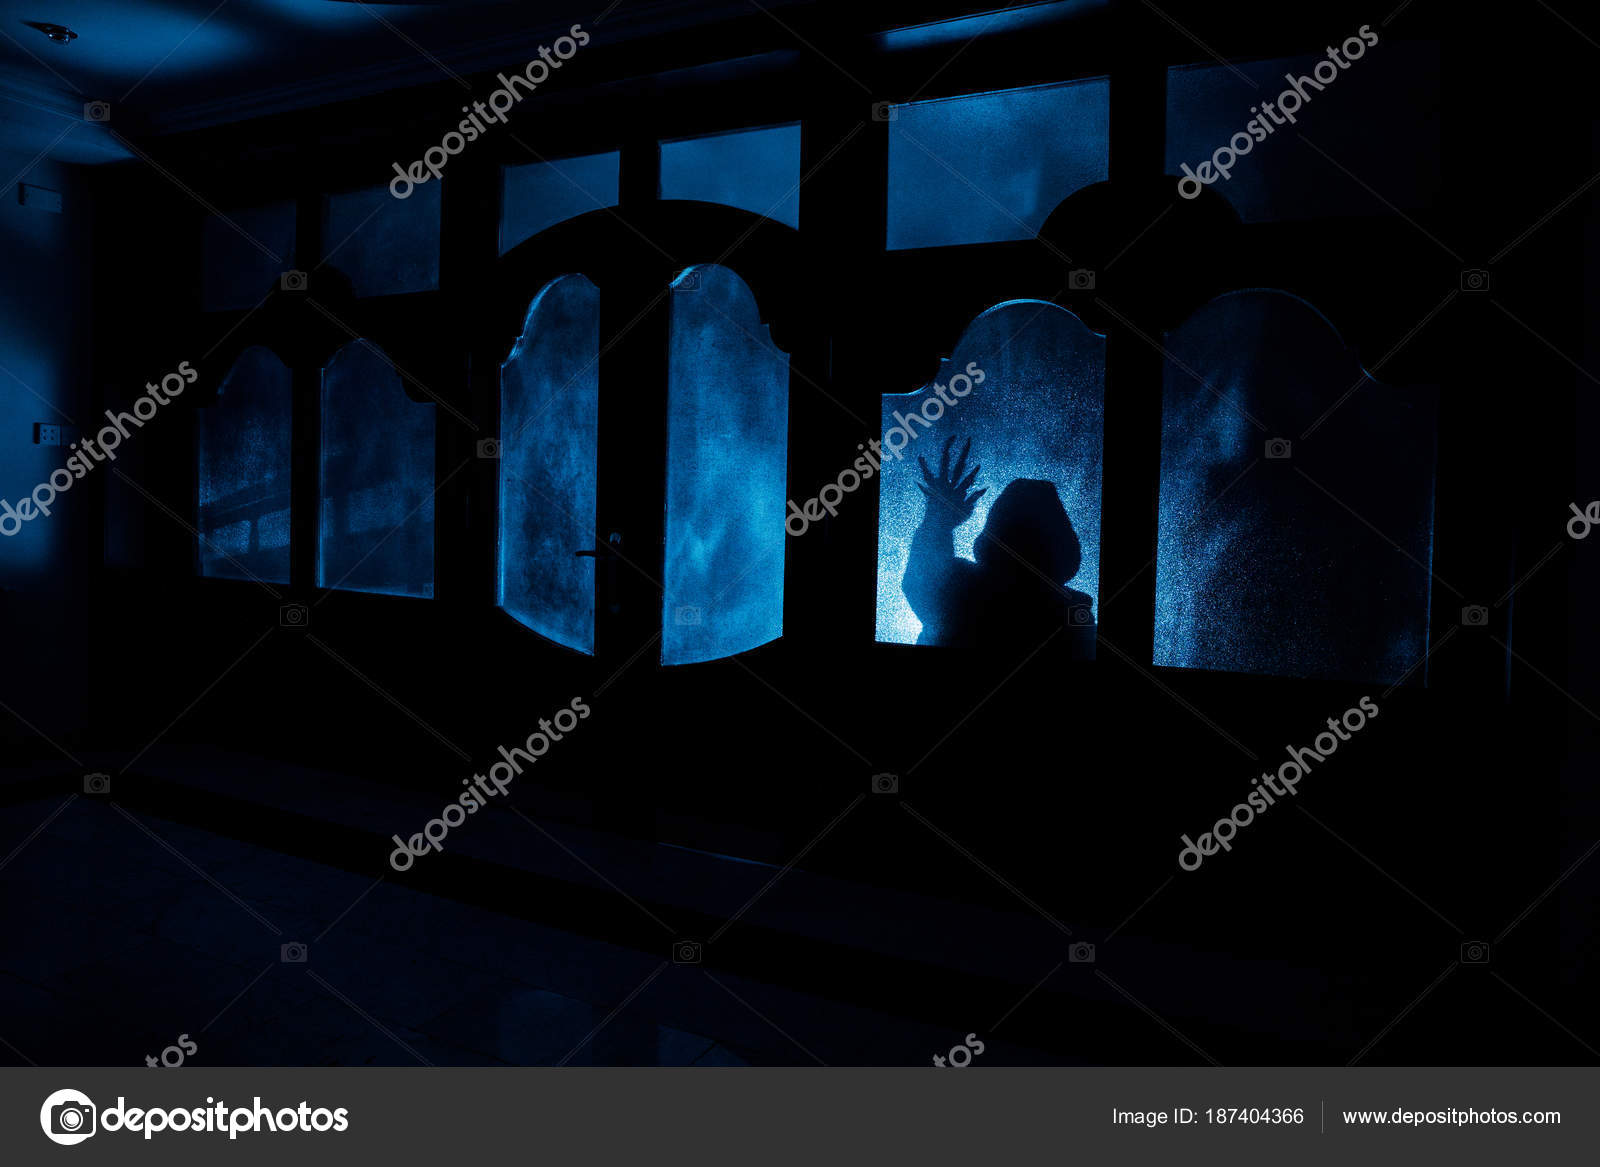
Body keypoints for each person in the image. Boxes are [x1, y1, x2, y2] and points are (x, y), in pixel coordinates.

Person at [903, 436, 1095, 655]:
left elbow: (921, 581)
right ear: (1064, 546)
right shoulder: (1073, 618)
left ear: (992, 535)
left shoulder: (961, 595)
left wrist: (938, 518)